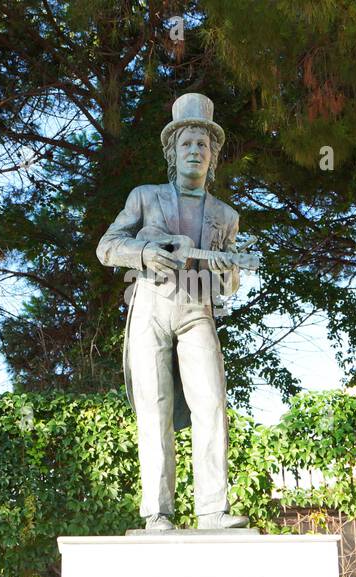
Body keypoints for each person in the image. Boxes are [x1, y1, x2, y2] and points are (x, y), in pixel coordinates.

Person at [96, 93, 250, 531]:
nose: (195, 151)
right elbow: (107, 247)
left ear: (213, 156)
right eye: (187, 144)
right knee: (155, 407)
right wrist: (144, 252)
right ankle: (157, 512)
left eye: (203, 145)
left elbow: (231, 282)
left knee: (212, 401)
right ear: (172, 152)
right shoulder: (144, 198)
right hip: (150, 308)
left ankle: (212, 511)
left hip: (197, 309)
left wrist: (226, 271)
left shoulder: (226, 214)